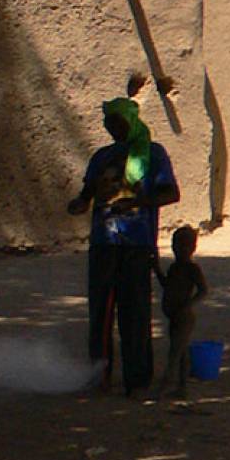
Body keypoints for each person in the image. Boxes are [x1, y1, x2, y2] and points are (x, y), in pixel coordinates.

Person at [65, 95, 180, 394]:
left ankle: (137, 379)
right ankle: (99, 376)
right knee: (100, 312)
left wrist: (139, 201)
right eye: (108, 123)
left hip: (136, 243)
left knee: (135, 311)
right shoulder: (102, 157)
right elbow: (88, 193)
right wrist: (79, 203)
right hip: (104, 242)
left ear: (131, 122)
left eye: (117, 122)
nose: (111, 128)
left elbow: (170, 194)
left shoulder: (153, 155)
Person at [158, 225, 207, 398]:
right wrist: (156, 269)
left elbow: (203, 291)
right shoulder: (174, 267)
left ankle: (166, 386)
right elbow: (167, 286)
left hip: (184, 316)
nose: (179, 250)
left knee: (175, 353)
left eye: (184, 246)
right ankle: (182, 387)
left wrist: (188, 304)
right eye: (176, 246)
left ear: (193, 248)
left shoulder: (192, 268)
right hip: (174, 314)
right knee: (182, 351)